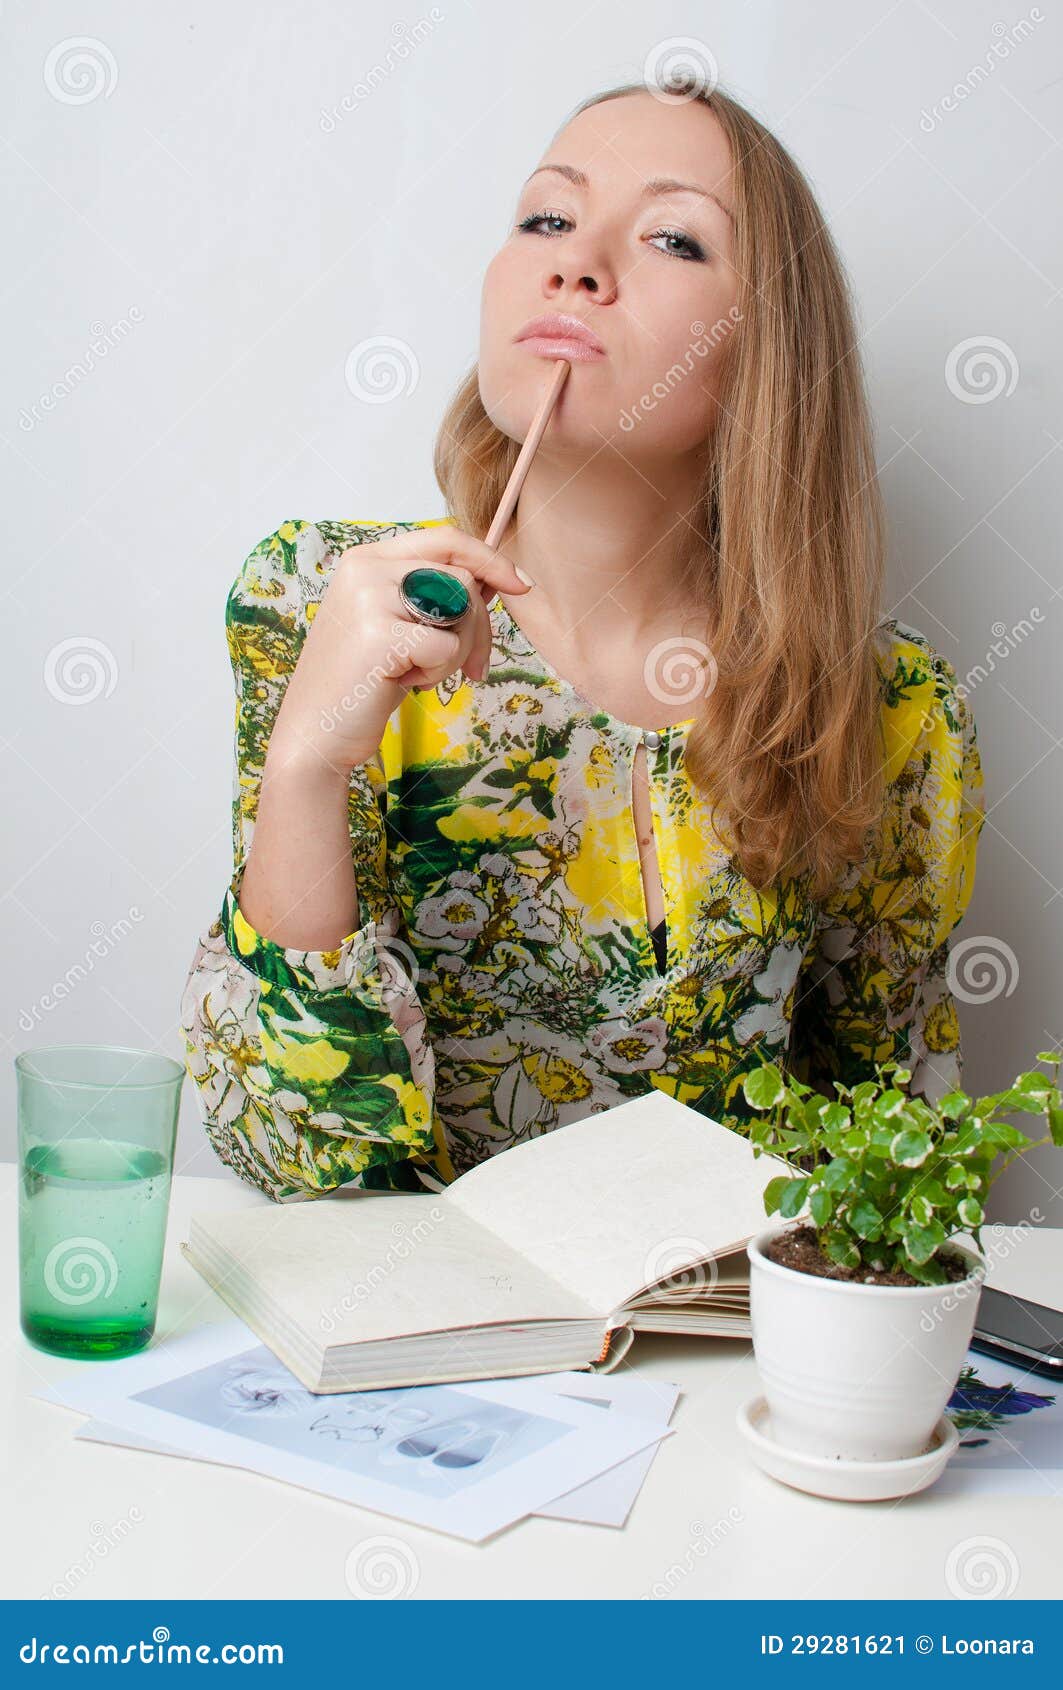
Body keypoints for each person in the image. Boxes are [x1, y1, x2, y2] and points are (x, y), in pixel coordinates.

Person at [180, 77, 985, 1203]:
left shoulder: (893, 709)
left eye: (671, 237)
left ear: (771, 347)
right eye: (548, 218)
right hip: (424, 1357)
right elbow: (293, 1158)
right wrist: (310, 766)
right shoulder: (325, 600)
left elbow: (885, 1165)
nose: (577, 264)